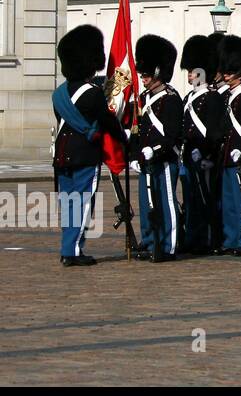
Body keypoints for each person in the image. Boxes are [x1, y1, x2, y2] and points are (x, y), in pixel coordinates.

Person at [52, 25, 126, 266]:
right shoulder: (92, 93)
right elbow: (108, 123)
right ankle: (72, 251)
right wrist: (126, 141)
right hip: (85, 155)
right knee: (82, 203)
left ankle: (68, 247)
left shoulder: (58, 94)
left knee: (67, 204)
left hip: (62, 156)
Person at [129, 35, 183, 262]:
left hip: (165, 159)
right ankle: (150, 240)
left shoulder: (170, 99)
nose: (144, 79)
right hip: (145, 160)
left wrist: (156, 149)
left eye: (147, 75)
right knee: (145, 202)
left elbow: (173, 135)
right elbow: (136, 131)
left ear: (159, 73)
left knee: (166, 202)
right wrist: (133, 155)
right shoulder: (142, 99)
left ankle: (169, 244)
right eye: (143, 75)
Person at [211, 35, 241, 256]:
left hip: (240, 157)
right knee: (229, 203)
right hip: (226, 156)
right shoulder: (228, 98)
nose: (227, 75)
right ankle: (231, 238)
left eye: (231, 71)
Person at [179, 35, 220, 255]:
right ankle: (193, 236)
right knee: (191, 201)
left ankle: (208, 239)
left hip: (203, 158)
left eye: (193, 71)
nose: (189, 74)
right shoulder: (188, 98)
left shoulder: (211, 98)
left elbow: (213, 131)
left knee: (206, 199)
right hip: (189, 157)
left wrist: (206, 154)